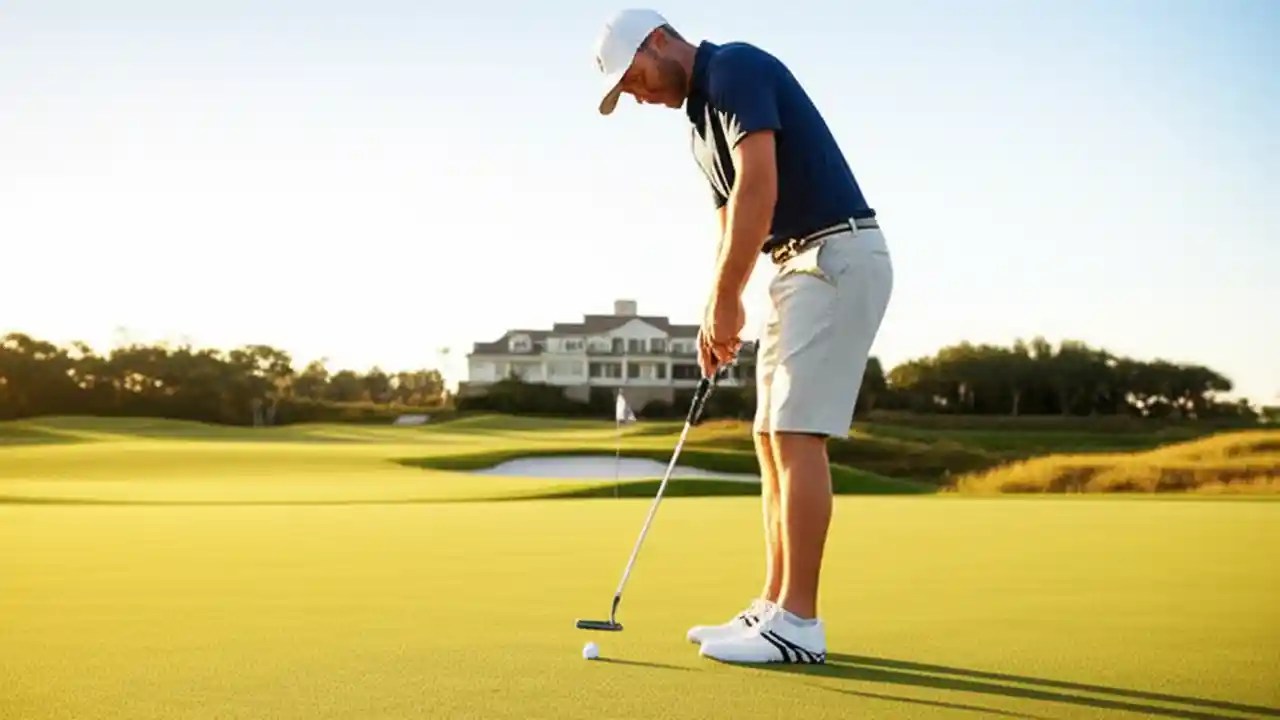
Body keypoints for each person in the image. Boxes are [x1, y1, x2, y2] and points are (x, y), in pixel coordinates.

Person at [591, 9, 895, 664]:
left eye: (634, 79)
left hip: (836, 255)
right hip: (795, 265)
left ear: (657, 41)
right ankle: (772, 606)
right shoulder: (698, 127)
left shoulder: (735, 68)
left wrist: (731, 298)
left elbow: (762, 181)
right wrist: (714, 307)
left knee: (796, 434)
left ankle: (800, 623)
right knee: (768, 439)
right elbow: (732, 222)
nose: (638, 95)